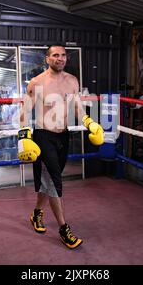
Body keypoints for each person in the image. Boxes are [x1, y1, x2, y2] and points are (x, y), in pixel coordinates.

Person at [19, 44, 104, 249]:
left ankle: (37, 213)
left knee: (49, 181)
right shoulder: (36, 82)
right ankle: (64, 229)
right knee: (56, 181)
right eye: (55, 55)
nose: (60, 58)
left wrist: (89, 122)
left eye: (63, 55)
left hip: (63, 136)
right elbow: (24, 112)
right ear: (47, 59)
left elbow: (77, 107)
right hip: (43, 137)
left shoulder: (72, 81)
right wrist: (25, 137)